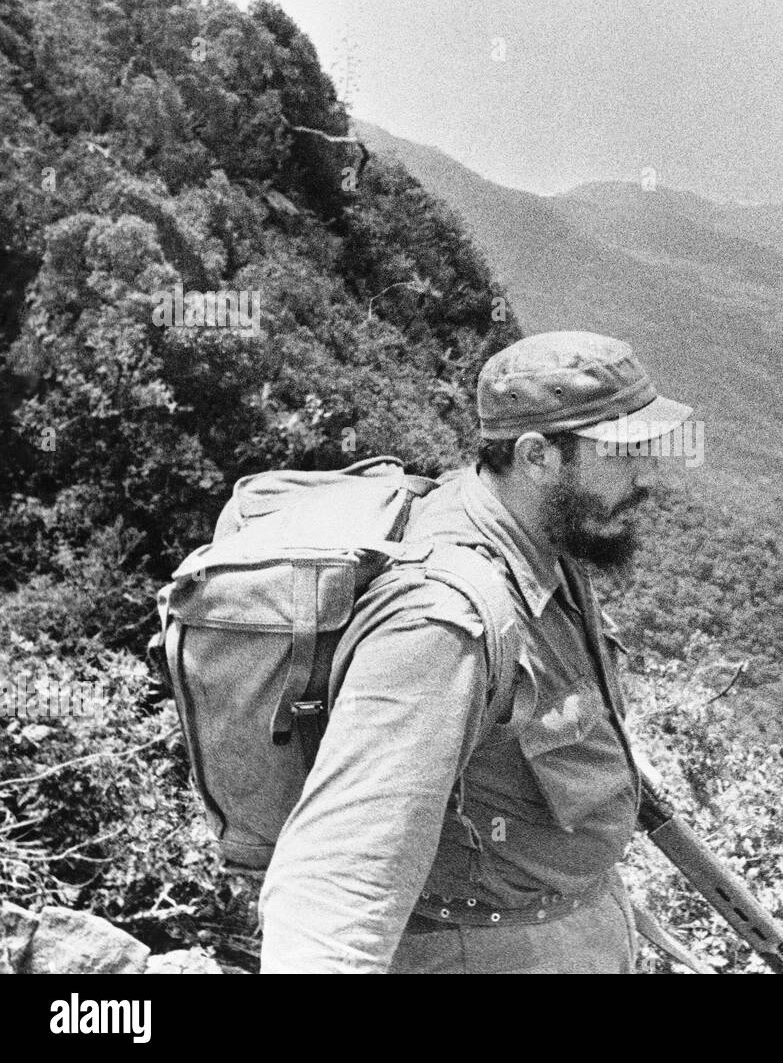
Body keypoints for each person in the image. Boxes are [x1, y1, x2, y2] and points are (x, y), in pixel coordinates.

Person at [259, 330, 694, 973]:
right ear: (537, 455)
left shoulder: (537, 540)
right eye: (623, 455)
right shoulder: (444, 623)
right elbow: (338, 877)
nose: (648, 475)